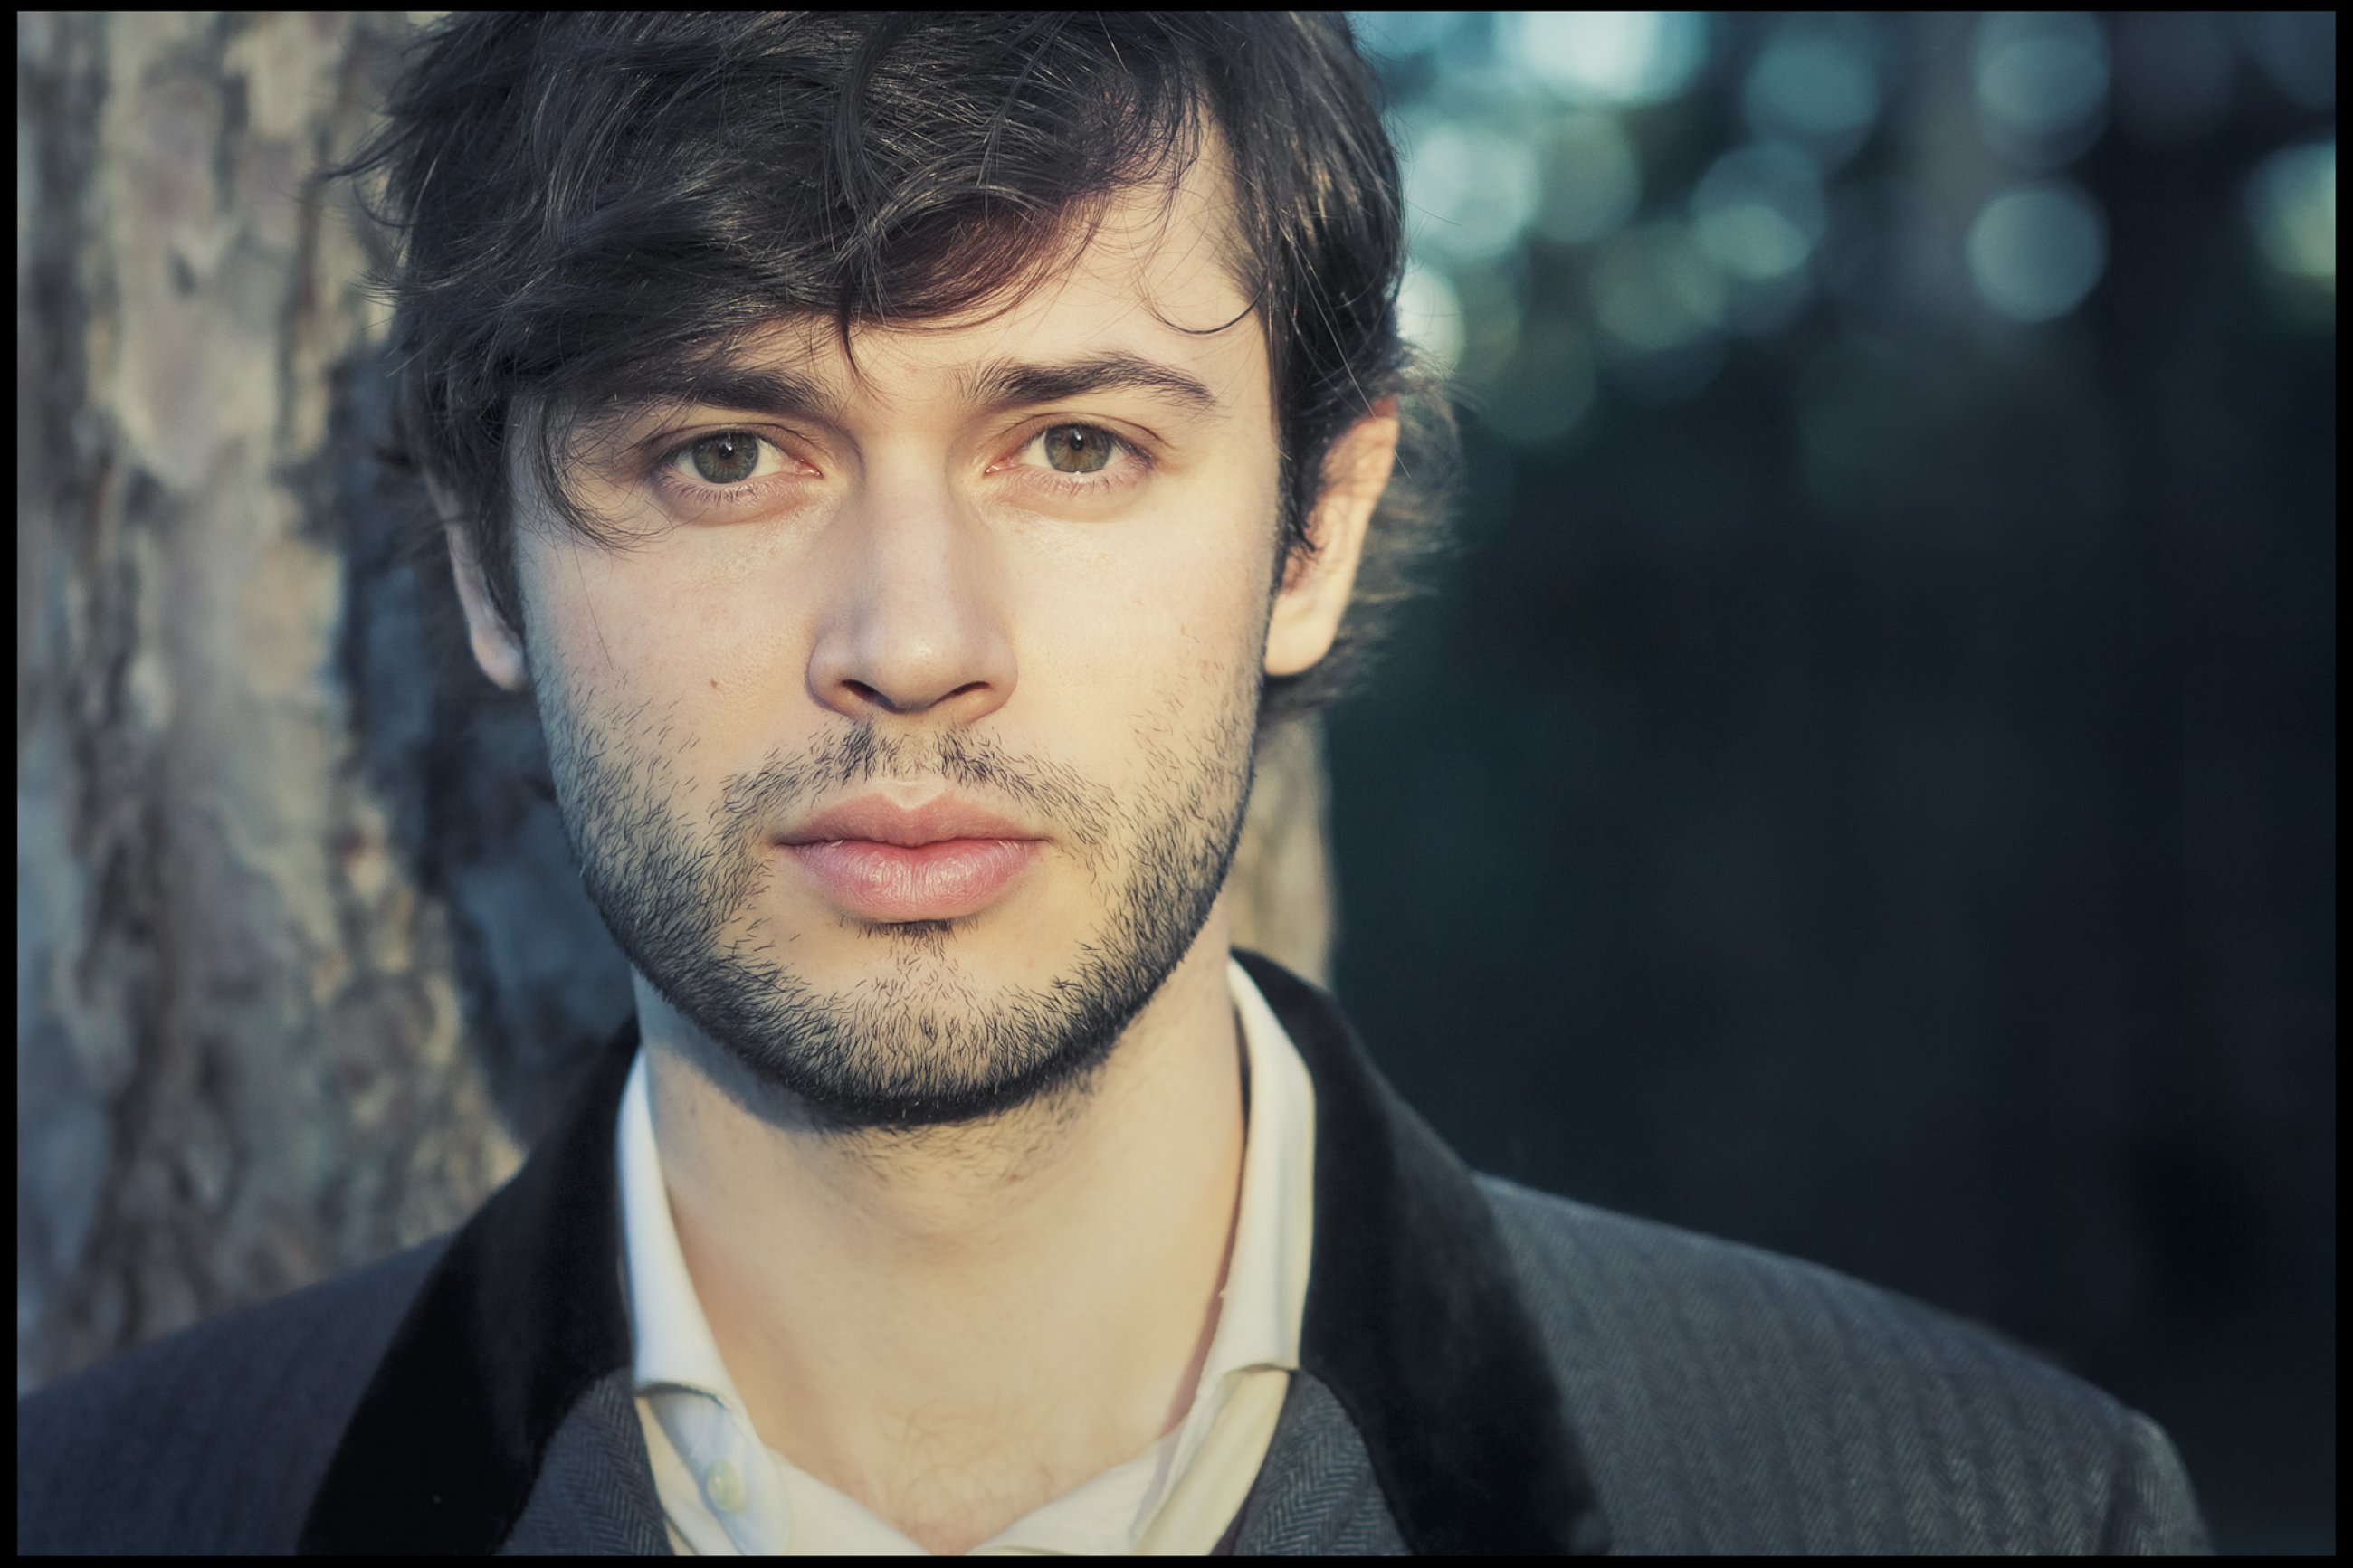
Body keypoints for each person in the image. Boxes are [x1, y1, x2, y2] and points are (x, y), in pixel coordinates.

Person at [16, 13, 2212, 1556]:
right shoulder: (103, 1518)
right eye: (724, 450)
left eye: (1074, 444)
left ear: (1314, 530)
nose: (905, 635)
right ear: (487, 558)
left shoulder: (1989, 1508)